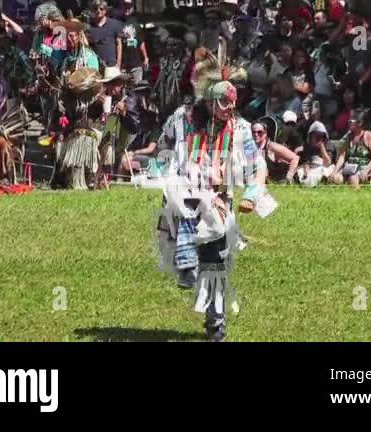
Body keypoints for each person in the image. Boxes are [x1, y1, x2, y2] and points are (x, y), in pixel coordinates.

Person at [157, 53, 268, 341]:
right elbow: (164, 147)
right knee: (192, 256)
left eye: (233, 104)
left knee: (215, 263)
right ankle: (186, 264)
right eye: (224, 103)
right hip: (183, 201)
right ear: (208, 101)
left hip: (217, 205)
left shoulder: (240, 129)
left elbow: (258, 166)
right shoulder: (182, 120)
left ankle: (215, 324)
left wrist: (253, 195)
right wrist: (169, 176)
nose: (230, 109)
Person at [330, 108, 371, 188]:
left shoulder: (369, 136)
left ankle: (358, 196)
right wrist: (335, 171)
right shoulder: (349, 137)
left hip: (366, 168)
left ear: (360, 123)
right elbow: (342, 156)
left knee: (353, 178)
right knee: (335, 178)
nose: (349, 123)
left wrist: (366, 171)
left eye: (351, 121)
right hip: (349, 169)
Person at [86, 0, 123, 69]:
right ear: (93, 11)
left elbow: (119, 44)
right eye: (96, 8)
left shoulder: (114, 24)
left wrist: (118, 63)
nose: (98, 11)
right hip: (95, 66)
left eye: (101, 9)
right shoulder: (89, 28)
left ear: (105, 10)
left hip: (112, 65)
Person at [297, 120, 335, 187]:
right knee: (300, 170)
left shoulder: (329, 144)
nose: (319, 138)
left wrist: (322, 147)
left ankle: (321, 181)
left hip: (324, 167)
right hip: (311, 168)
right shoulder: (307, 147)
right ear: (311, 136)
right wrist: (306, 167)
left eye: (321, 136)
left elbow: (327, 163)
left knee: (326, 170)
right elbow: (307, 162)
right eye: (316, 135)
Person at [119, 0, 148, 84]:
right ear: (121, 7)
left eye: (129, 7)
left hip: (136, 64)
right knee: (124, 90)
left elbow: (141, 42)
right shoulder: (116, 23)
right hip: (123, 65)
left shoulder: (136, 23)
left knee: (137, 90)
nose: (127, 9)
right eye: (125, 6)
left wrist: (146, 57)